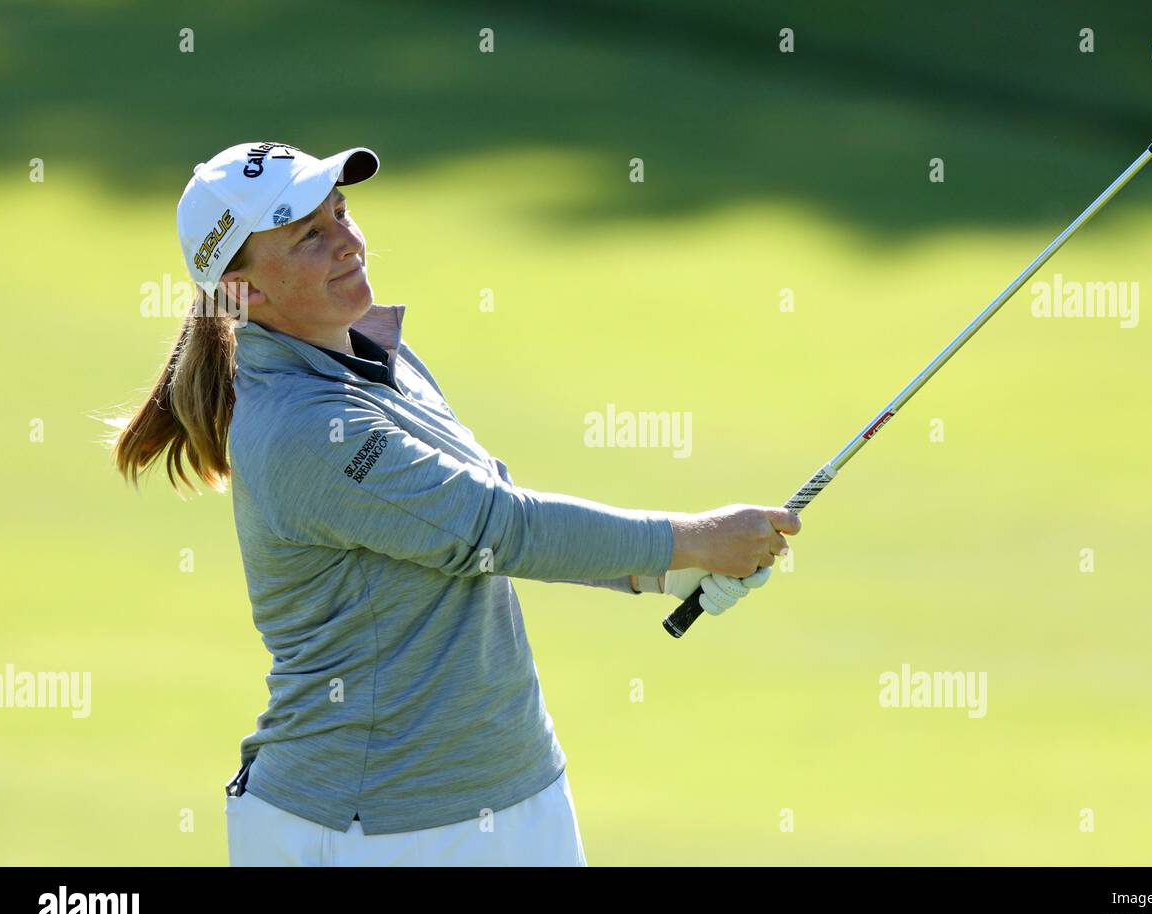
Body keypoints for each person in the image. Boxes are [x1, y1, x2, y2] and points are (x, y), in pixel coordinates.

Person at [110, 141, 801, 866]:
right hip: (373, 824)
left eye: (340, 212)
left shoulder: (379, 351)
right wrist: (692, 538)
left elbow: (481, 524)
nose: (347, 241)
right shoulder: (302, 427)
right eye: (308, 235)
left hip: (508, 790)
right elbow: (496, 526)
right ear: (243, 291)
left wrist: (656, 573)